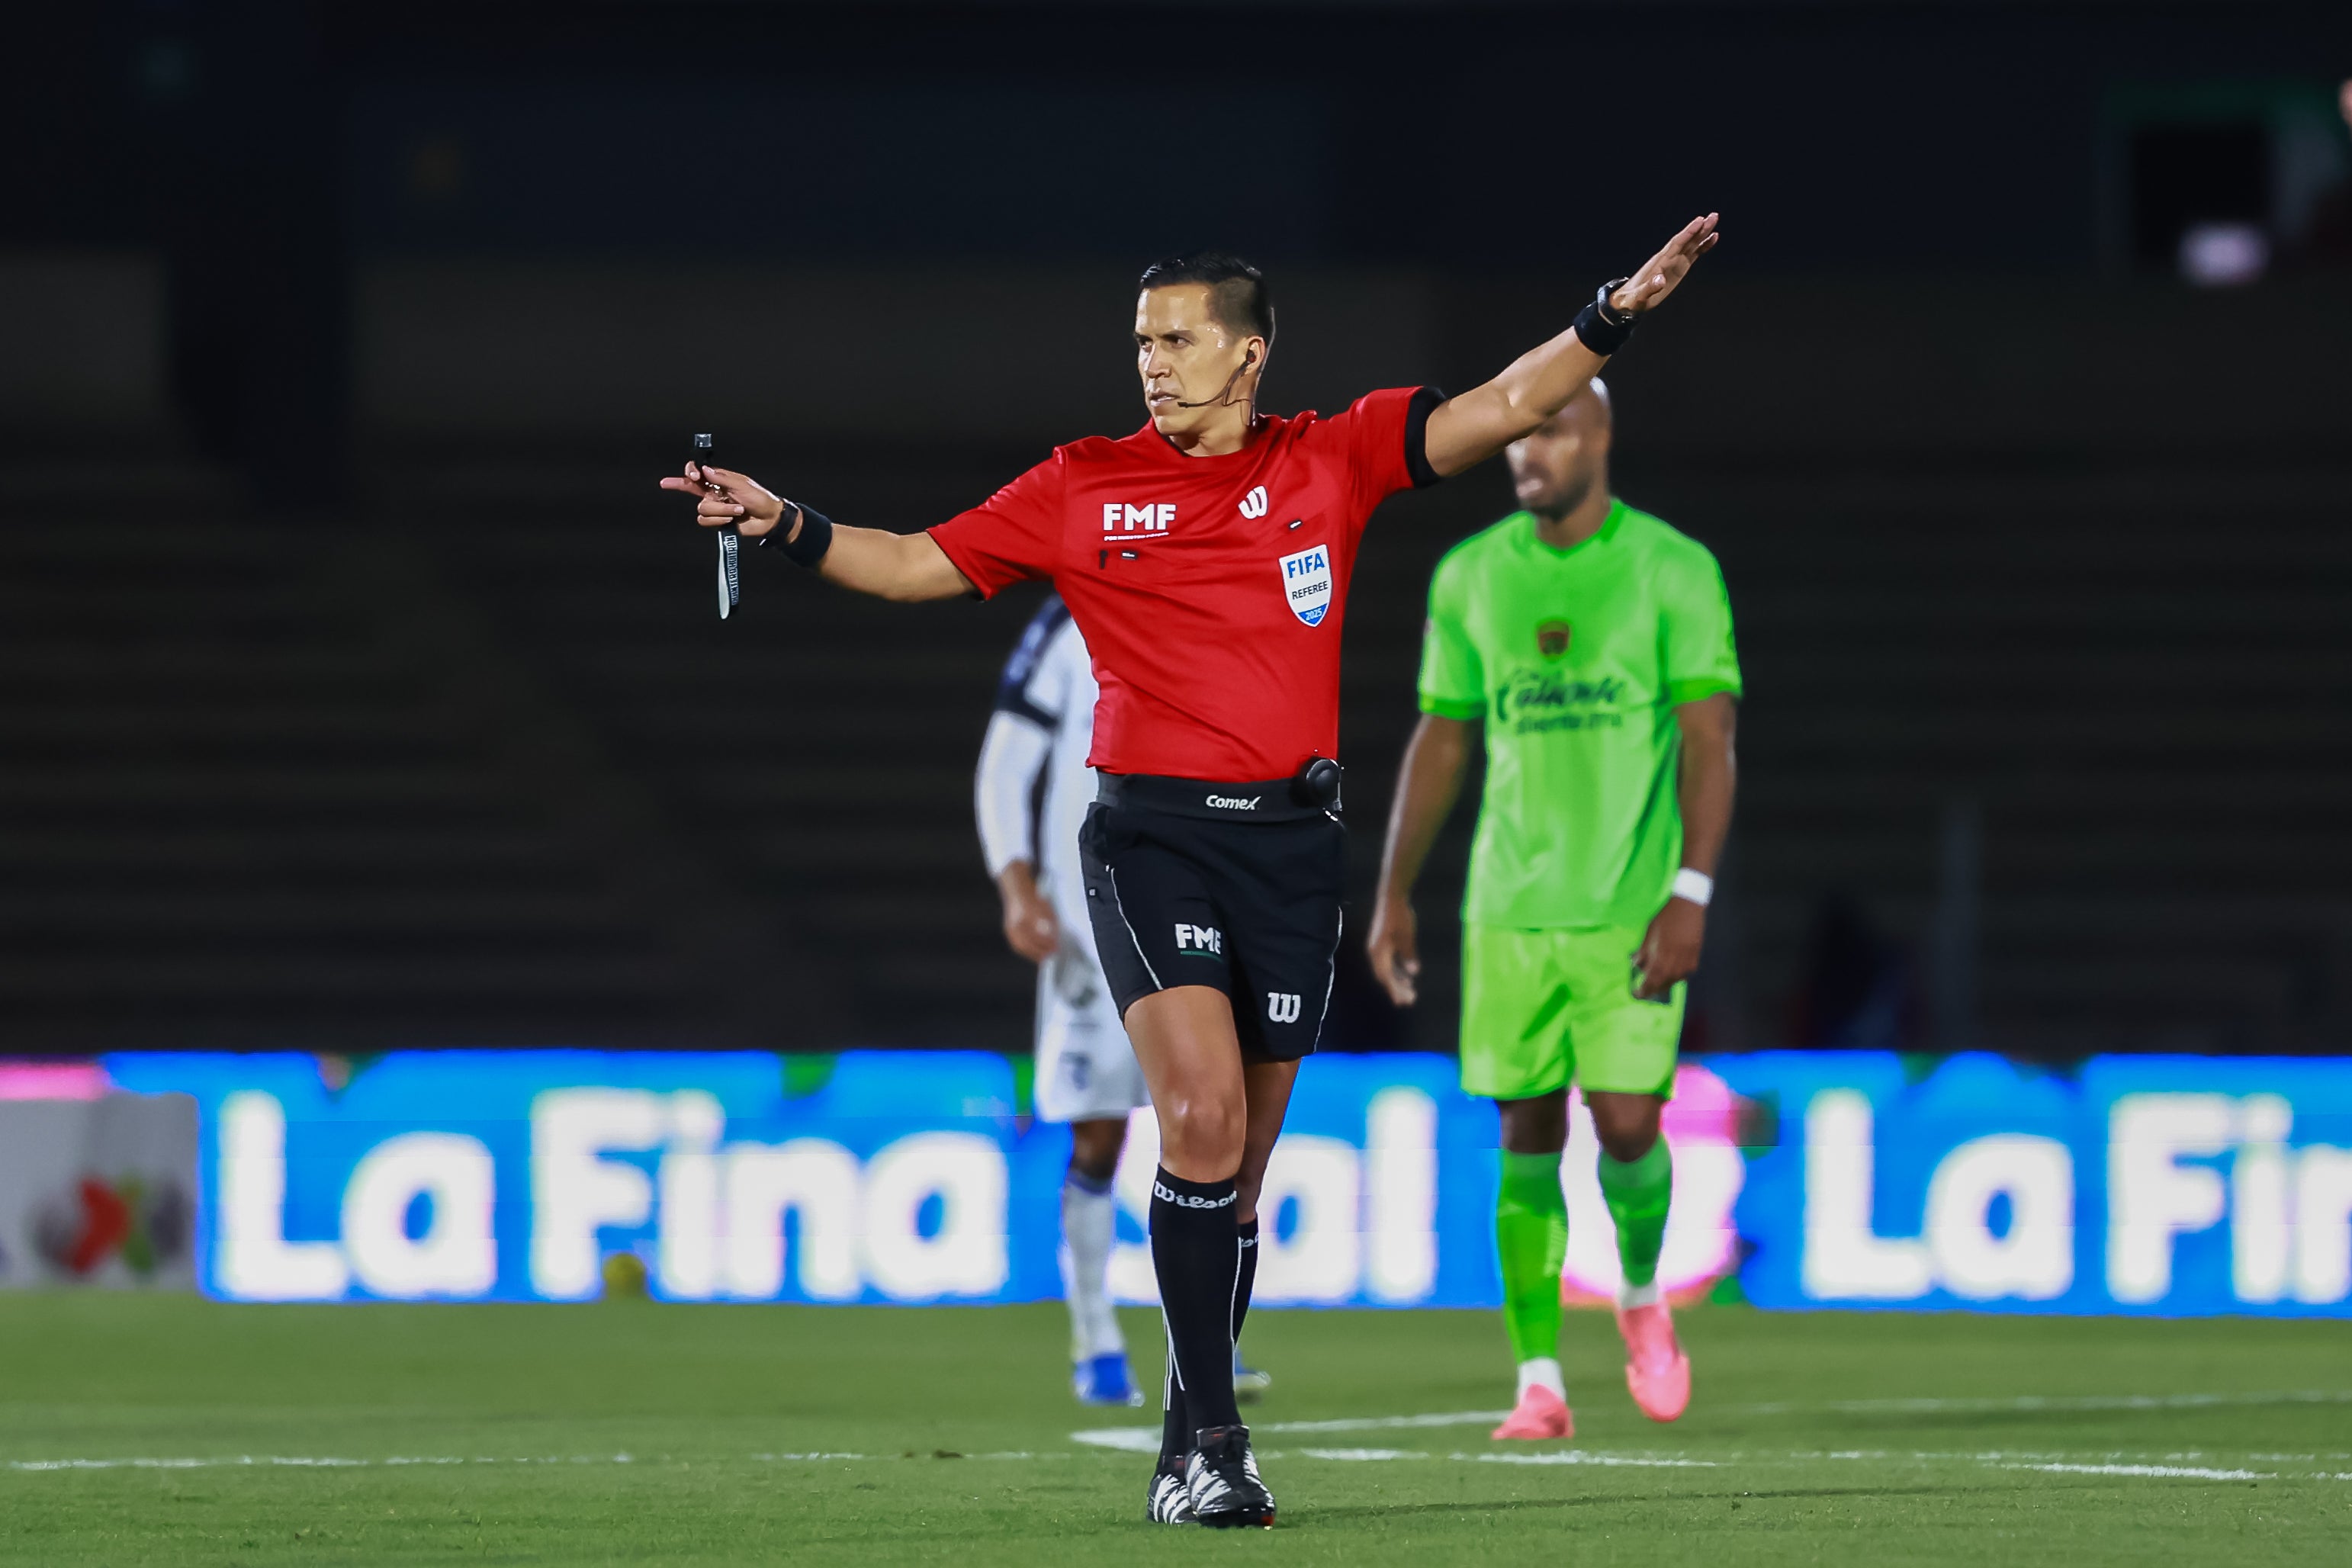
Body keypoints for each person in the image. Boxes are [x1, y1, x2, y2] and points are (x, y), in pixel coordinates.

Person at [661, 215, 1718, 1527]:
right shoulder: (1079, 483)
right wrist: (783, 523)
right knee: (1200, 1124)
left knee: (1238, 1173)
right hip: (1151, 837)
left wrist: (1609, 314)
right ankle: (1216, 1440)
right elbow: (911, 567)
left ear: (1248, 352)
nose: (1151, 364)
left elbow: (1506, 402)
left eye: (1176, 340)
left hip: (1290, 848)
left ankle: (1180, 1441)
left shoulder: (1330, 457)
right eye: (1141, 343)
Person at [1365, 381, 1740, 1443]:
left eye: (1552, 433)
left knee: (1626, 1123)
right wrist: (1393, 888)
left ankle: (1638, 1296)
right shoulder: (1471, 576)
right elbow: (1443, 737)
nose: (1528, 456)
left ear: (1603, 435)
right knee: (1525, 1130)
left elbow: (1711, 742)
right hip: (1508, 911)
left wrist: (1690, 891)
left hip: (1629, 907)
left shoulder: (1673, 569)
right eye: (1516, 440)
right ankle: (1538, 1381)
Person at [975, 599, 1275, 1410]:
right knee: (1101, 1139)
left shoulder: (1216, 603)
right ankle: (1095, 1336)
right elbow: (1008, 758)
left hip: (1199, 912)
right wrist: (1016, 883)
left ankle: (1206, 1344)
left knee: (1222, 1131)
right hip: (1089, 918)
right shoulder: (1070, 618)